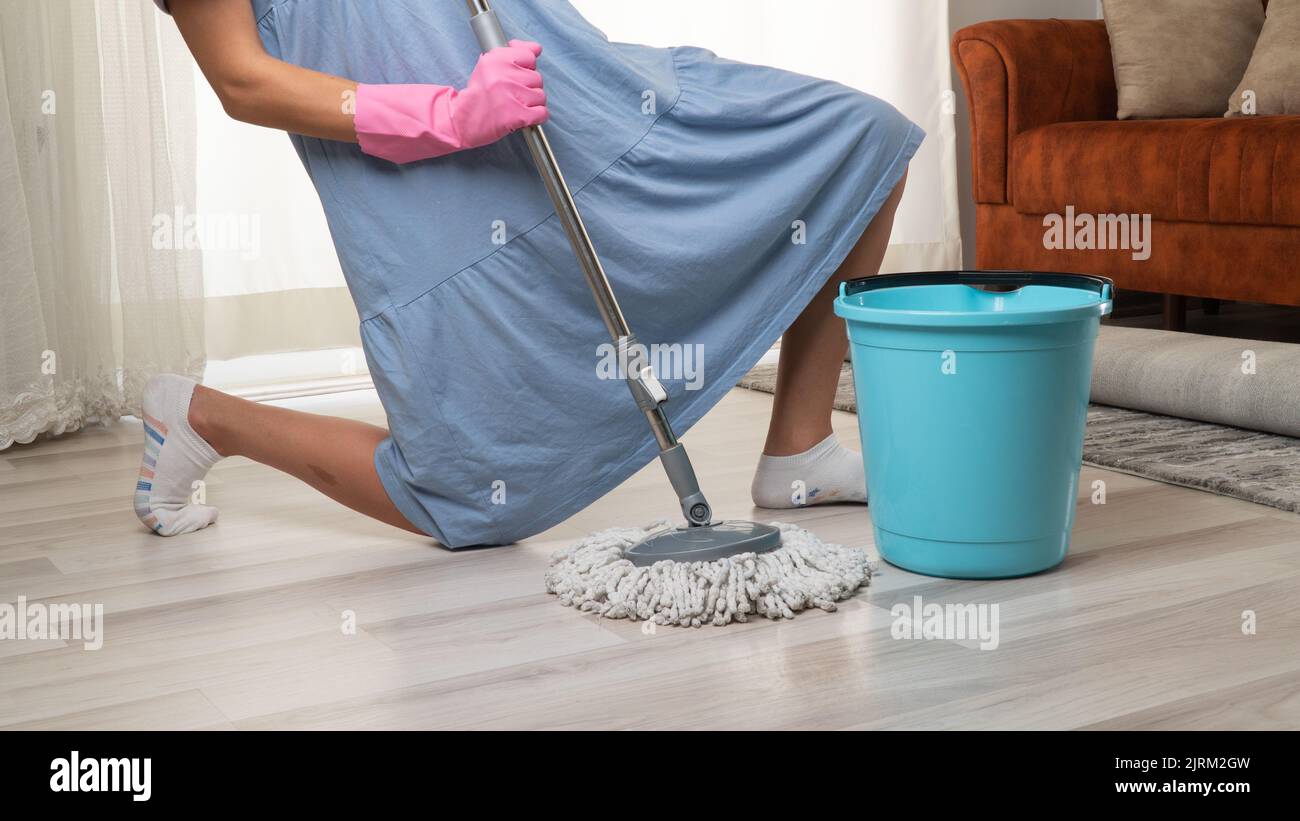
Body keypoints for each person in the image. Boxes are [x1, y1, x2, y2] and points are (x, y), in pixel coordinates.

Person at [136, 0, 921, 545]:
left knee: (866, 145)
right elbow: (242, 79)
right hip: (439, 189)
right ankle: (206, 417)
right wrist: (446, 115)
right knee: (471, 499)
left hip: (580, 101)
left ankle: (800, 447)